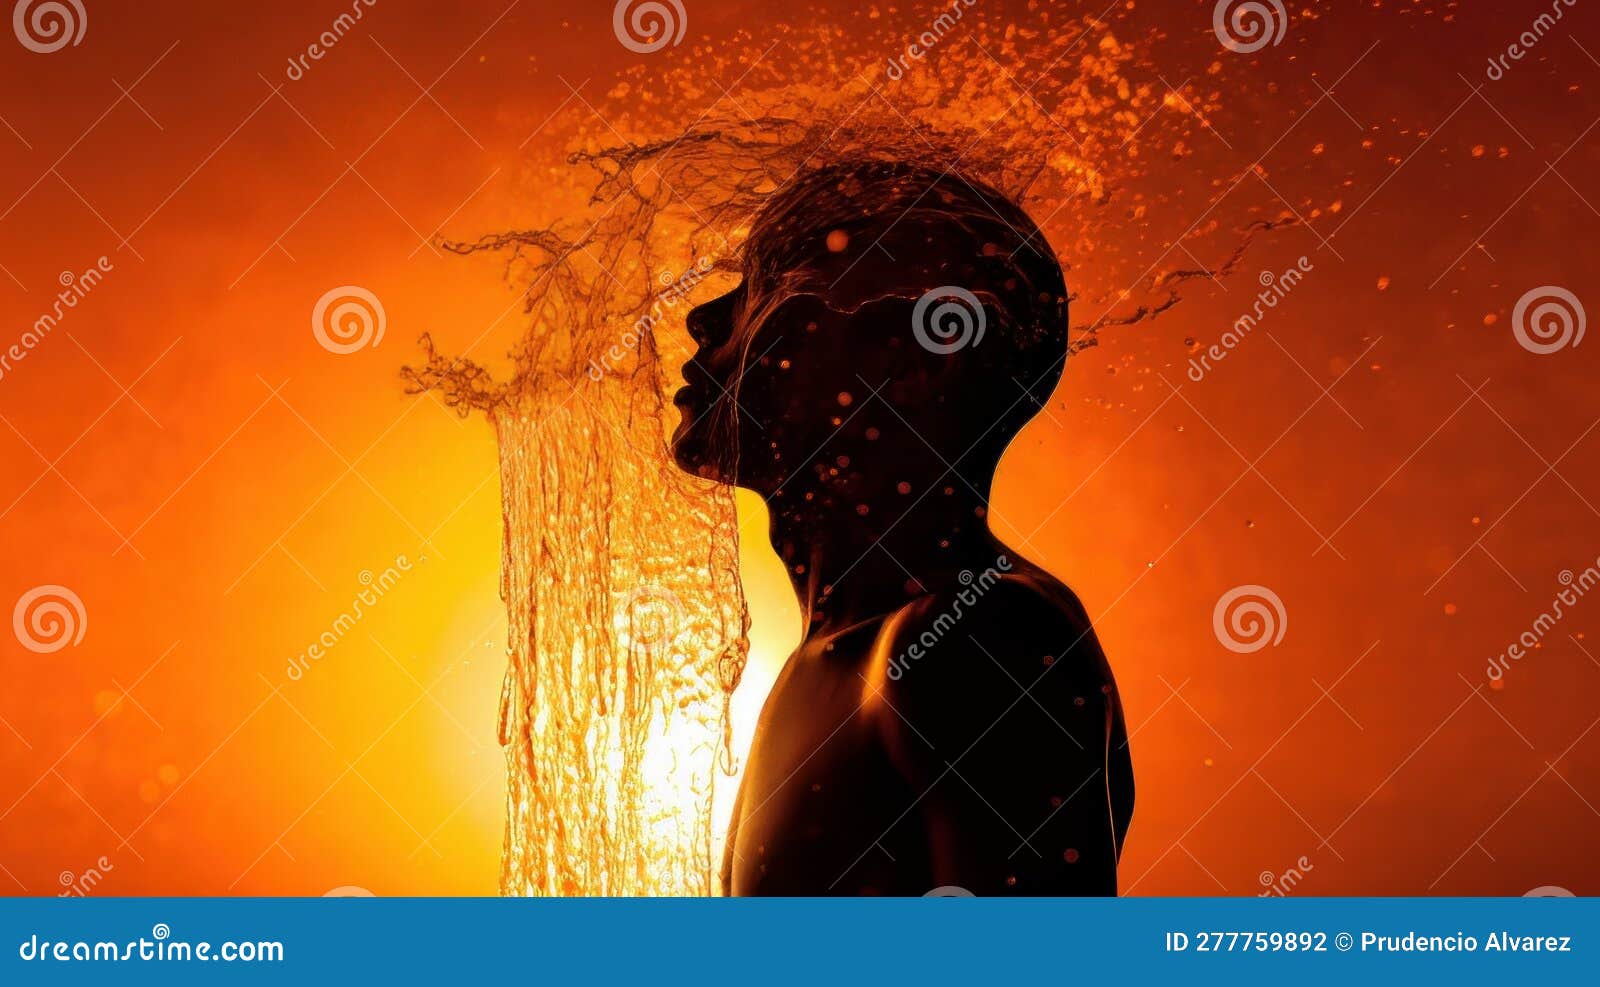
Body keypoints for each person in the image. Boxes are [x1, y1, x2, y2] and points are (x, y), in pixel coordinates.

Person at [671, 161, 1132, 896]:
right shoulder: (833, 662)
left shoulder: (985, 636)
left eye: (772, 288)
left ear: (919, 359)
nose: (705, 319)